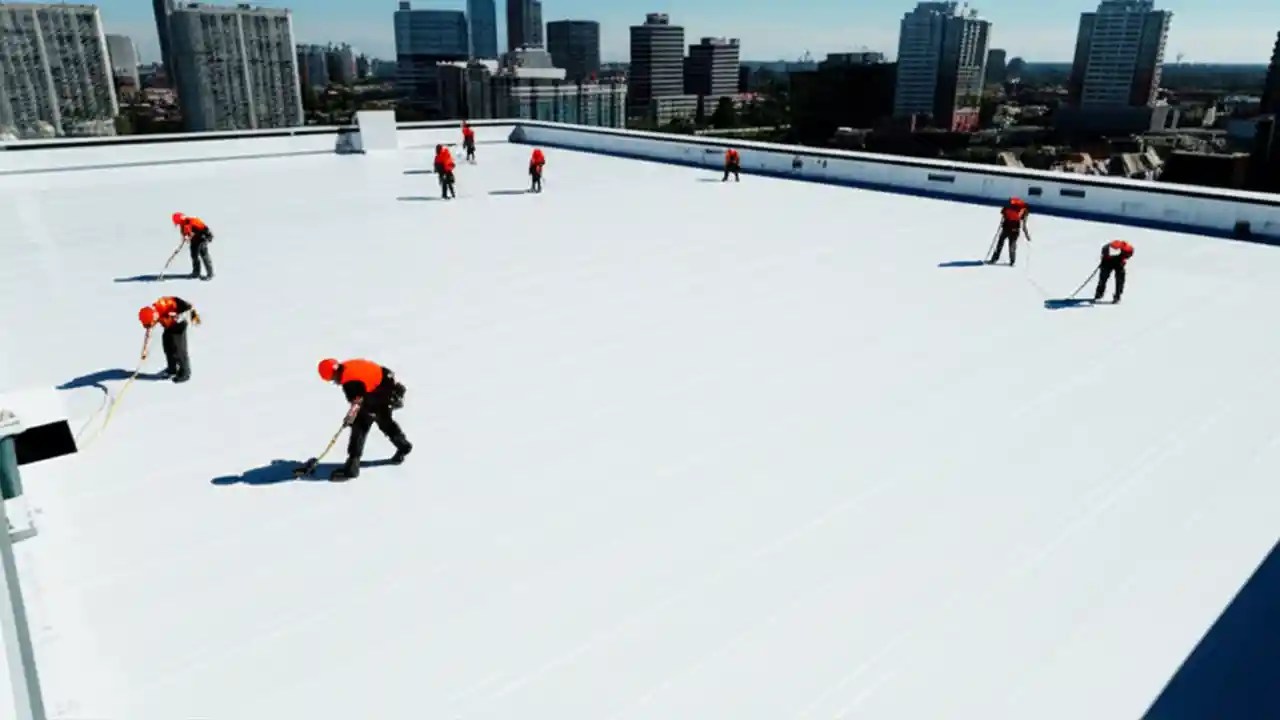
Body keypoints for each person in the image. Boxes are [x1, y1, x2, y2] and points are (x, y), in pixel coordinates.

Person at [317, 358, 412, 480]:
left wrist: (350, 418)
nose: (335, 382)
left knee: (361, 425)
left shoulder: (350, 381)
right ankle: (404, 447)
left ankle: (352, 468)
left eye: (332, 379)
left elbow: (357, 402)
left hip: (382, 391)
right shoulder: (347, 366)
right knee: (383, 422)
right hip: (384, 383)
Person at [138, 296, 201, 383]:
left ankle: (185, 373)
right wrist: (145, 350)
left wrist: (192, 314)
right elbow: (149, 333)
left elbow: (188, 305)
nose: (150, 326)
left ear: (154, 316)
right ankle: (172, 369)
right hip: (169, 327)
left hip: (179, 326)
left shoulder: (165, 304)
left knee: (179, 350)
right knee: (167, 346)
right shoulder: (151, 315)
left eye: (150, 323)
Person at [173, 212, 214, 280]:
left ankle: (210, 274)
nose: (177, 224)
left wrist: (208, 236)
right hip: (194, 240)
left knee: (204, 255)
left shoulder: (193, 221)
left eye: (177, 222)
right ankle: (196, 272)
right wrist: (186, 237)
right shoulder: (182, 225)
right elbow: (185, 234)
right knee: (194, 255)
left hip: (202, 239)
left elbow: (205, 228)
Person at [989, 197, 1030, 266]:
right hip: (1015, 230)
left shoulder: (1007, 207)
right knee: (1012, 246)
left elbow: (1003, 217)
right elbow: (1024, 225)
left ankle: (994, 259)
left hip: (1006, 228)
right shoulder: (1023, 210)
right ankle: (1012, 261)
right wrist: (1027, 235)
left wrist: (1002, 222)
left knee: (1000, 244)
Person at [1095, 240, 1134, 304]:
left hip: (1115, 262)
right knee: (1105, 278)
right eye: (1128, 256)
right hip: (1108, 261)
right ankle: (1100, 294)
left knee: (1117, 280)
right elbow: (1105, 251)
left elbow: (1124, 259)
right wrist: (1104, 260)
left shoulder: (1126, 249)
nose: (1128, 258)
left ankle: (1114, 295)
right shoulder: (1114, 247)